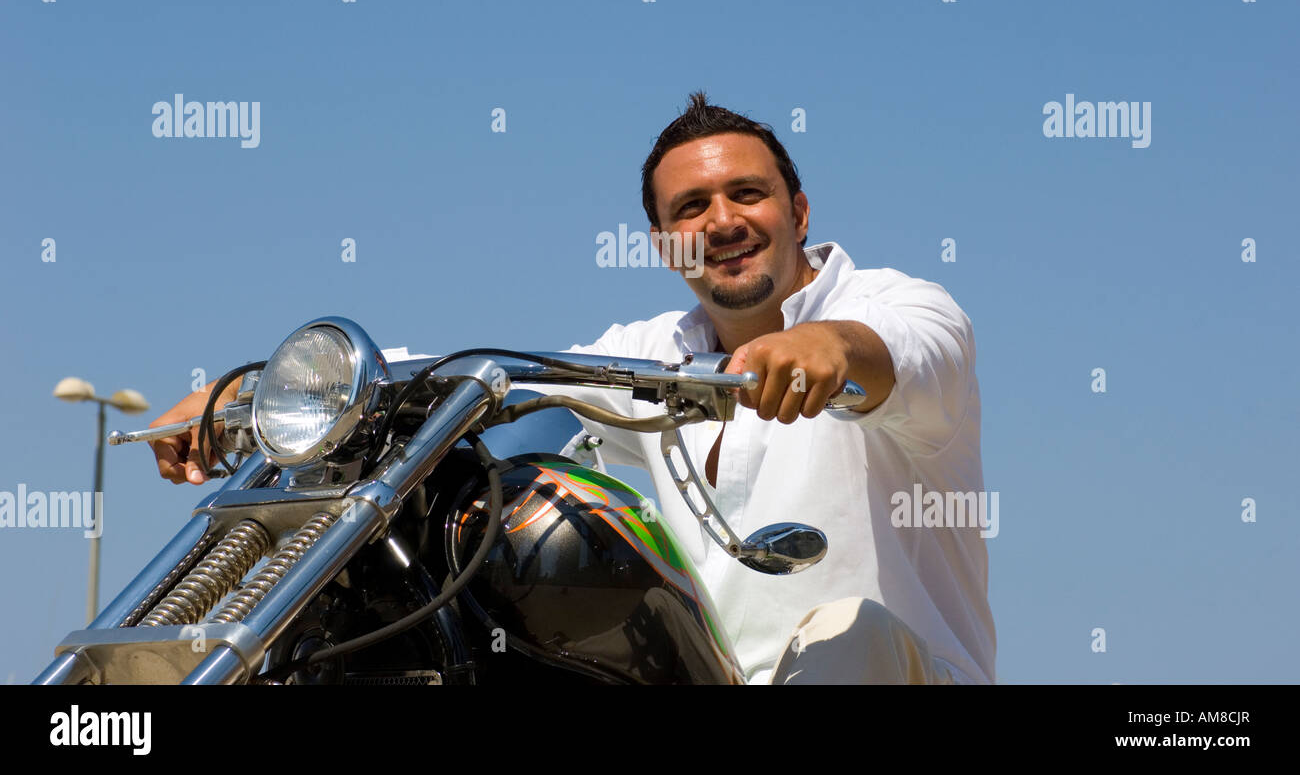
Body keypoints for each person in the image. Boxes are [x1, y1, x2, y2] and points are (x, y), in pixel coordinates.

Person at [149, 92, 996, 685]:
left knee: (849, 633)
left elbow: (905, 353)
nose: (725, 221)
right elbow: (475, 372)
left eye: (748, 193)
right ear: (666, 245)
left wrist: (828, 345)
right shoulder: (644, 356)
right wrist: (256, 396)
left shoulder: (895, 304)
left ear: (800, 210)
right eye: (691, 208)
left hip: (905, 676)